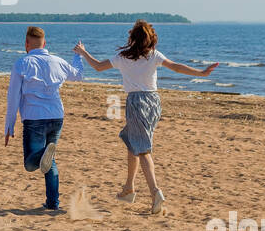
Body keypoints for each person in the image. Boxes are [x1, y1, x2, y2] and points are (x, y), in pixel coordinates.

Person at [74, 21, 218, 216]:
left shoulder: (123, 57)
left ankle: (155, 192)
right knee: (132, 142)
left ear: (132, 38)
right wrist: (201, 73)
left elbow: (98, 67)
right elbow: (175, 67)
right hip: (154, 102)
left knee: (142, 150)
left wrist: (83, 53)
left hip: (136, 103)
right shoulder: (153, 56)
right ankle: (129, 188)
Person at [4, 26, 84, 213]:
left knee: (31, 164)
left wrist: (9, 125)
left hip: (34, 117)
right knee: (50, 161)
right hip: (56, 115)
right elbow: (78, 75)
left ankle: (44, 154)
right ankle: (52, 203)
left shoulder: (22, 63)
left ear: (26, 44)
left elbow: (13, 96)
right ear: (45, 43)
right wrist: (78, 56)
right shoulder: (57, 61)